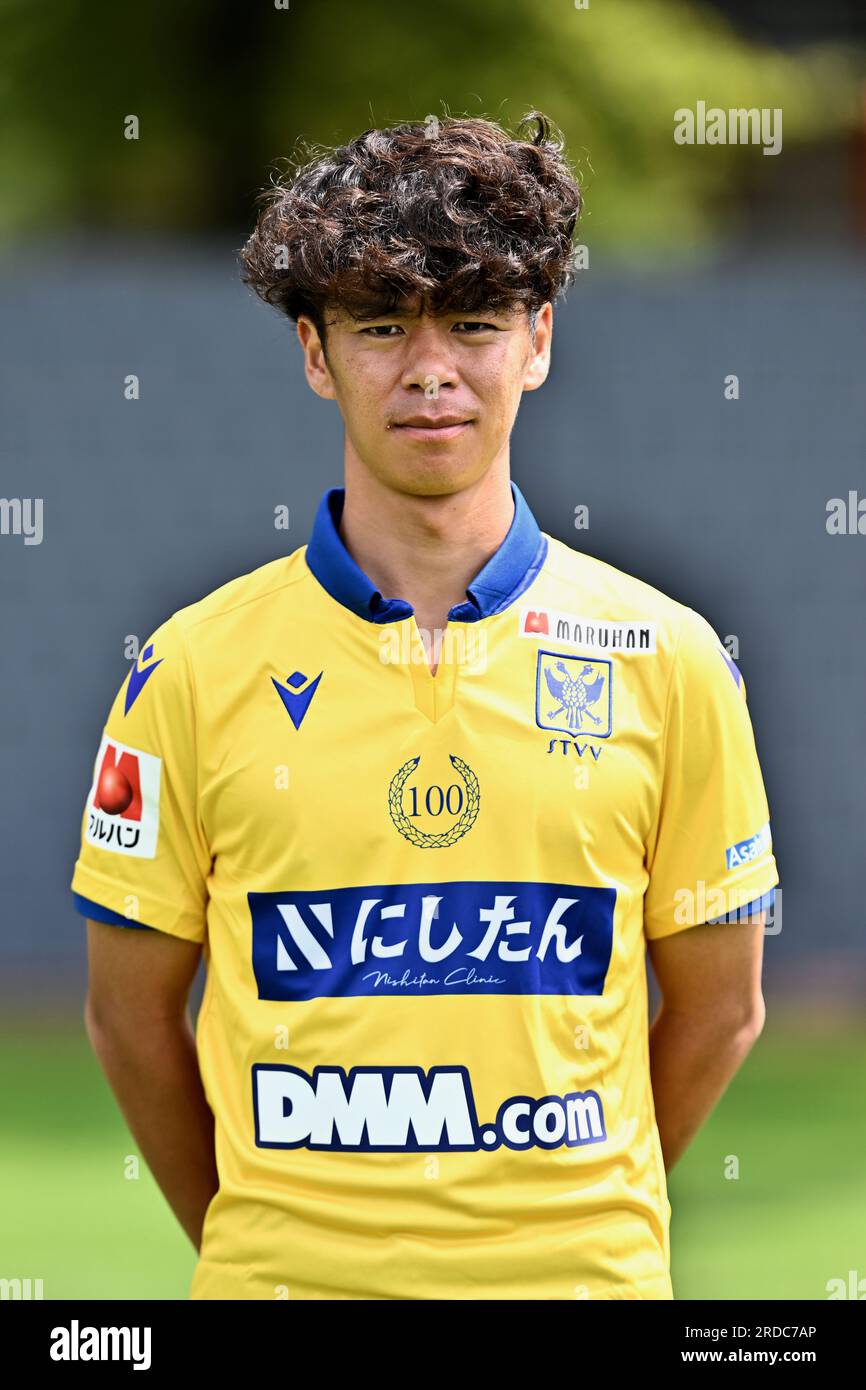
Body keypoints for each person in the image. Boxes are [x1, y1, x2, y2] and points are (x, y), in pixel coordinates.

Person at [70, 112, 779, 1300]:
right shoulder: (187, 667)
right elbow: (126, 1019)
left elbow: (721, 1010)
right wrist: (267, 1244)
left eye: (475, 322)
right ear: (315, 353)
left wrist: (568, 1222)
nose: (430, 369)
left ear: (537, 340)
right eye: (381, 325)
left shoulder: (669, 657)